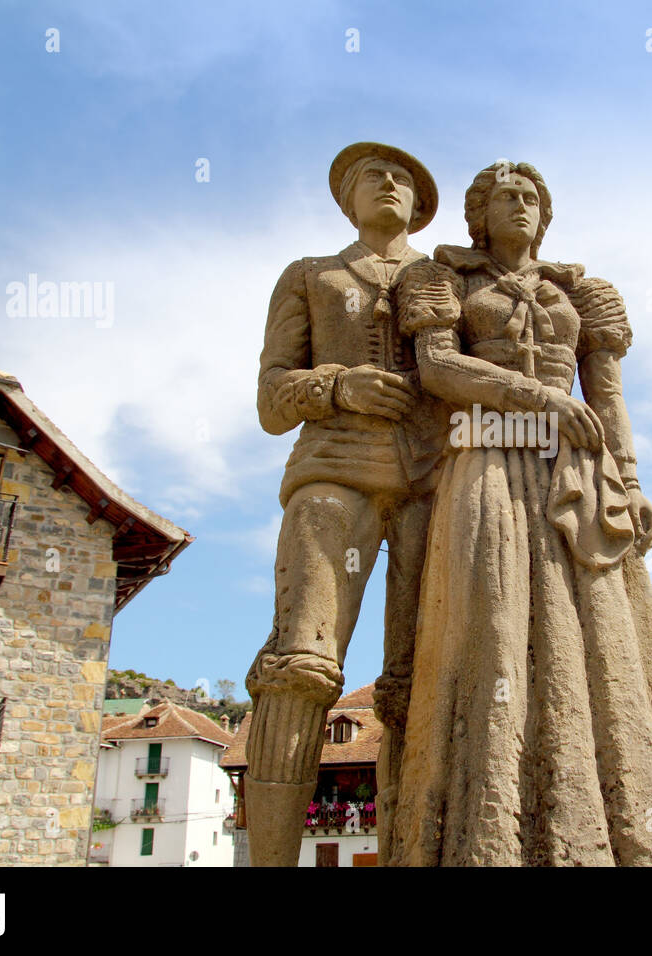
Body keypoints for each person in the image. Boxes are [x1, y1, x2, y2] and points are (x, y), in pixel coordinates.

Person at [388, 161, 652, 865]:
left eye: (531, 197)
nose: (520, 205)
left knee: (602, 634)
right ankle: (492, 834)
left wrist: (628, 480)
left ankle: (618, 831)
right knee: (492, 625)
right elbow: (439, 368)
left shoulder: (583, 291)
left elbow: (606, 392)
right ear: (478, 214)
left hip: (578, 469)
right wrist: (539, 401)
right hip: (488, 455)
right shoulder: (443, 278)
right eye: (504, 196)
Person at [243, 142, 446, 866]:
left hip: (435, 483)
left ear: (419, 205)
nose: (389, 184)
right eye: (374, 176)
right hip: (334, 473)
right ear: (347, 199)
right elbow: (271, 399)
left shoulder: (447, 276)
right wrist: (336, 386)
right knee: (301, 667)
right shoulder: (311, 275)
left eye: (402, 179)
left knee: (421, 681)